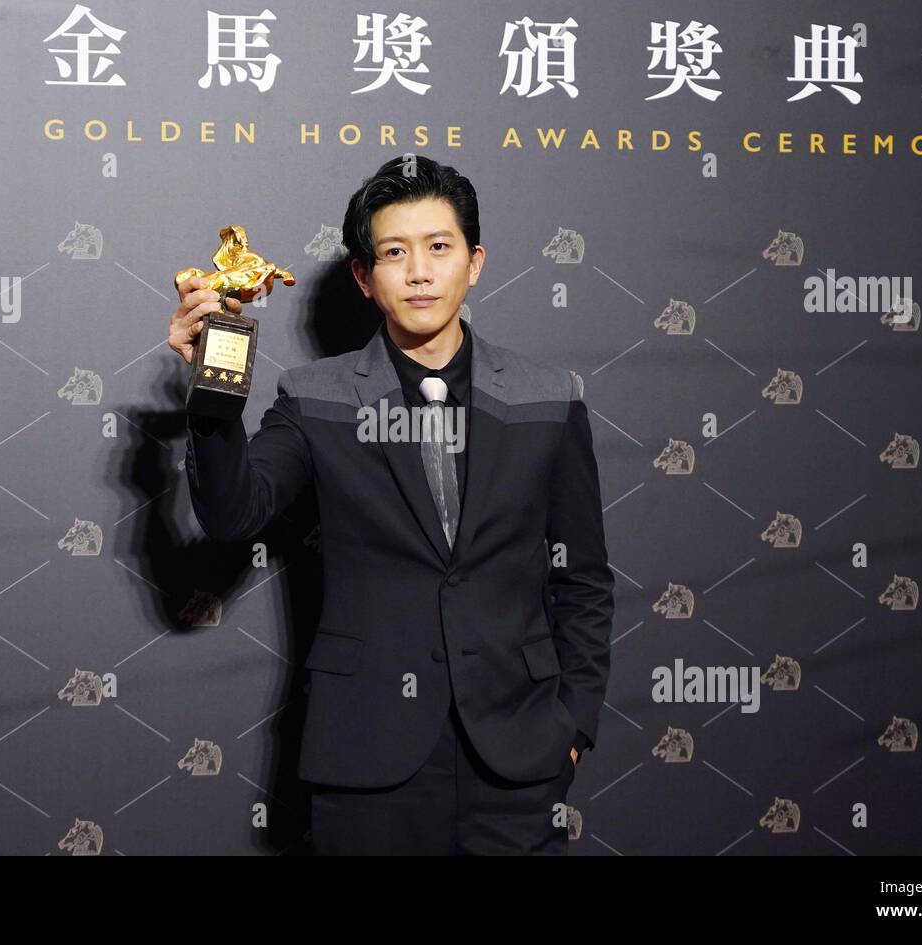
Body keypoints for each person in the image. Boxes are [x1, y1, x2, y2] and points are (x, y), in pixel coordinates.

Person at [167, 154, 614, 855]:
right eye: (394, 252)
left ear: (476, 261)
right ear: (363, 277)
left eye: (440, 247)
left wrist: (573, 725)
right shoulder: (317, 399)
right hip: (366, 760)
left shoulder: (546, 396)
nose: (419, 271)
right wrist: (212, 398)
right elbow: (234, 514)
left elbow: (583, 578)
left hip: (520, 758)